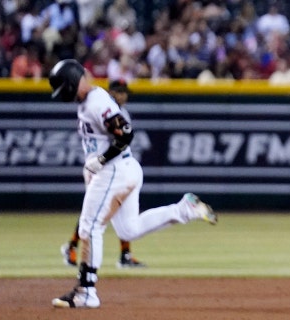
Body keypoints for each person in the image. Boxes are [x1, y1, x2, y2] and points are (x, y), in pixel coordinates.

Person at [48, 59, 218, 309]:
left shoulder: (97, 101)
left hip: (113, 171)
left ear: (75, 81)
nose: (66, 95)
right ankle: (185, 209)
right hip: (122, 170)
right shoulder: (89, 102)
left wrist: (102, 160)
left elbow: (126, 133)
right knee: (128, 230)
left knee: (90, 226)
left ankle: (86, 291)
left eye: (66, 88)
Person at [60, 79, 147, 269]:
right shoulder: (101, 105)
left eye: (125, 92)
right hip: (99, 166)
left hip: (108, 166)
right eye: (120, 91)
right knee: (93, 213)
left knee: (108, 209)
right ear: (112, 92)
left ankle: (124, 253)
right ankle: (72, 248)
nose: (124, 95)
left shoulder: (117, 111)